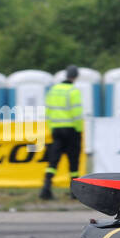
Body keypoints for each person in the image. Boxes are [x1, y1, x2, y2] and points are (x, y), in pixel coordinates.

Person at [41, 65, 83, 201]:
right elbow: (76, 113)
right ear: (76, 76)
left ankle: (46, 188)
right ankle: (74, 192)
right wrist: (79, 129)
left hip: (57, 130)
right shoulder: (73, 91)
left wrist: (52, 127)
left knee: (53, 161)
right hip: (71, 130)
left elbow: (47, 111)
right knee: (73, 163)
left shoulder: (53, 90)